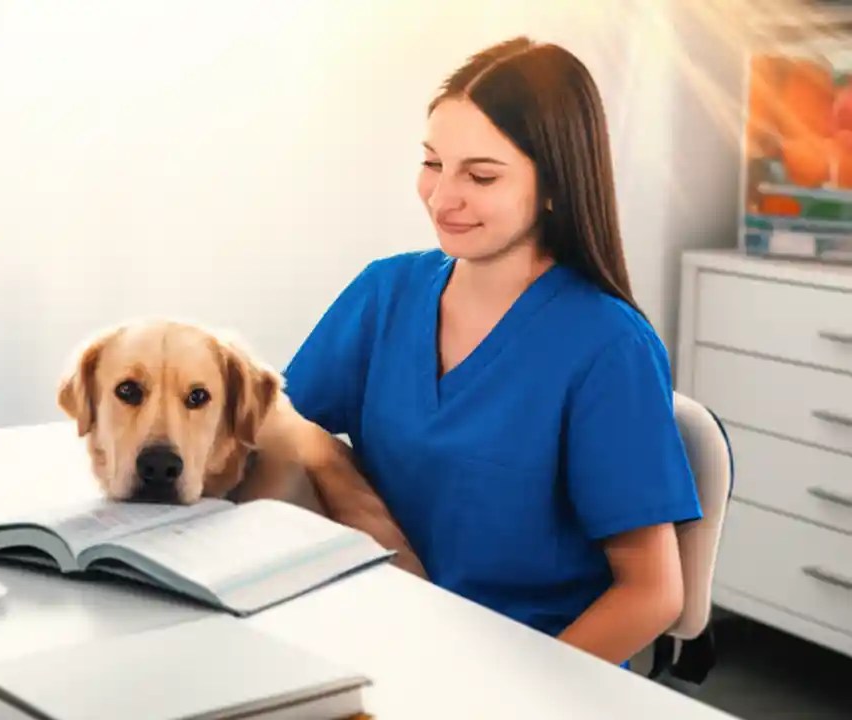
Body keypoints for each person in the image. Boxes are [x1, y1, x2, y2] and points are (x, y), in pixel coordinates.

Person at [270, 37, 702, 667]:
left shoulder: (607, 347)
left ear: (555, 185)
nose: (442, 198)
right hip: (377, 632)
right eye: (431, 163)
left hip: (517, 665)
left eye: (480, 175)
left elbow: (653, 593)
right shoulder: (386, 292)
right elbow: (278, 425)